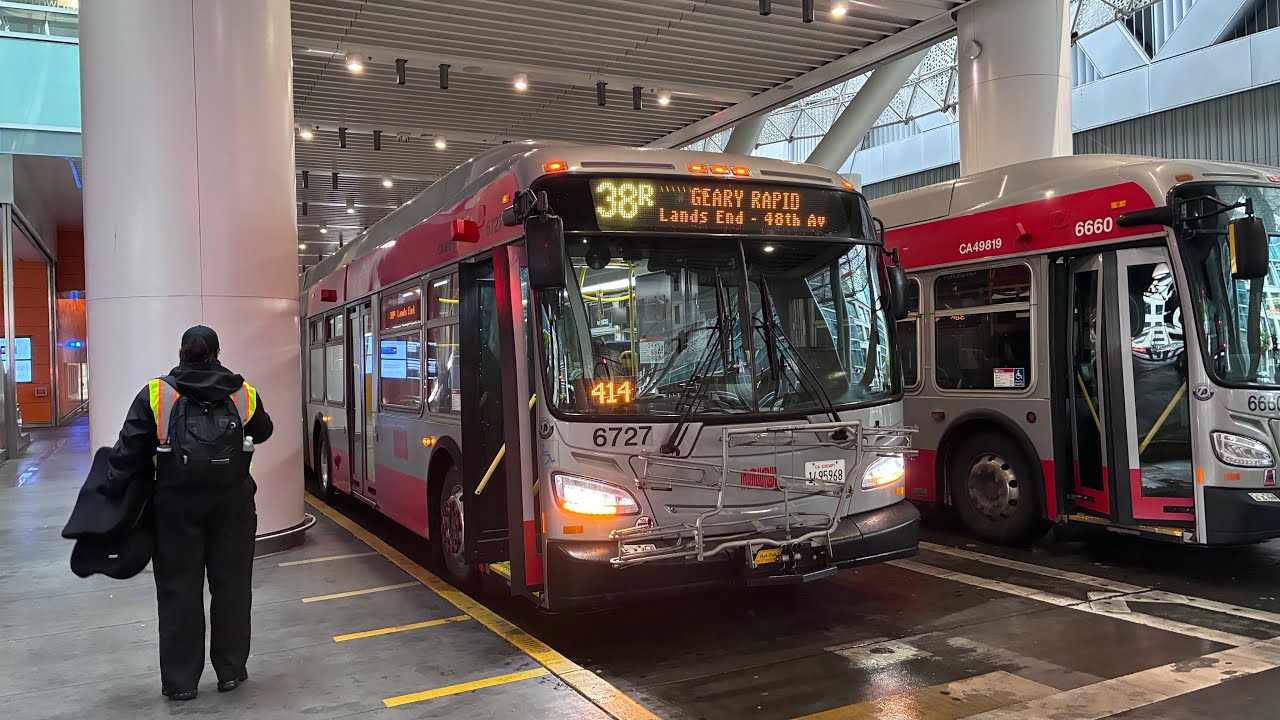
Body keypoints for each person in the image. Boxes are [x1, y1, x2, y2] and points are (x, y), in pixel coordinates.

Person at [104, 325, 274, 701]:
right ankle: (230, 671)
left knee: (178, 590)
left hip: (174, 507)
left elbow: (129, 448)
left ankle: (181, 683)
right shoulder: (242, 392)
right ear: (217, 351)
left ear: (181, 352)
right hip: (233, 506)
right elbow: (263, 431)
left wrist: (114, 492)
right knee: (231, 589)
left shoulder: (157, 392)